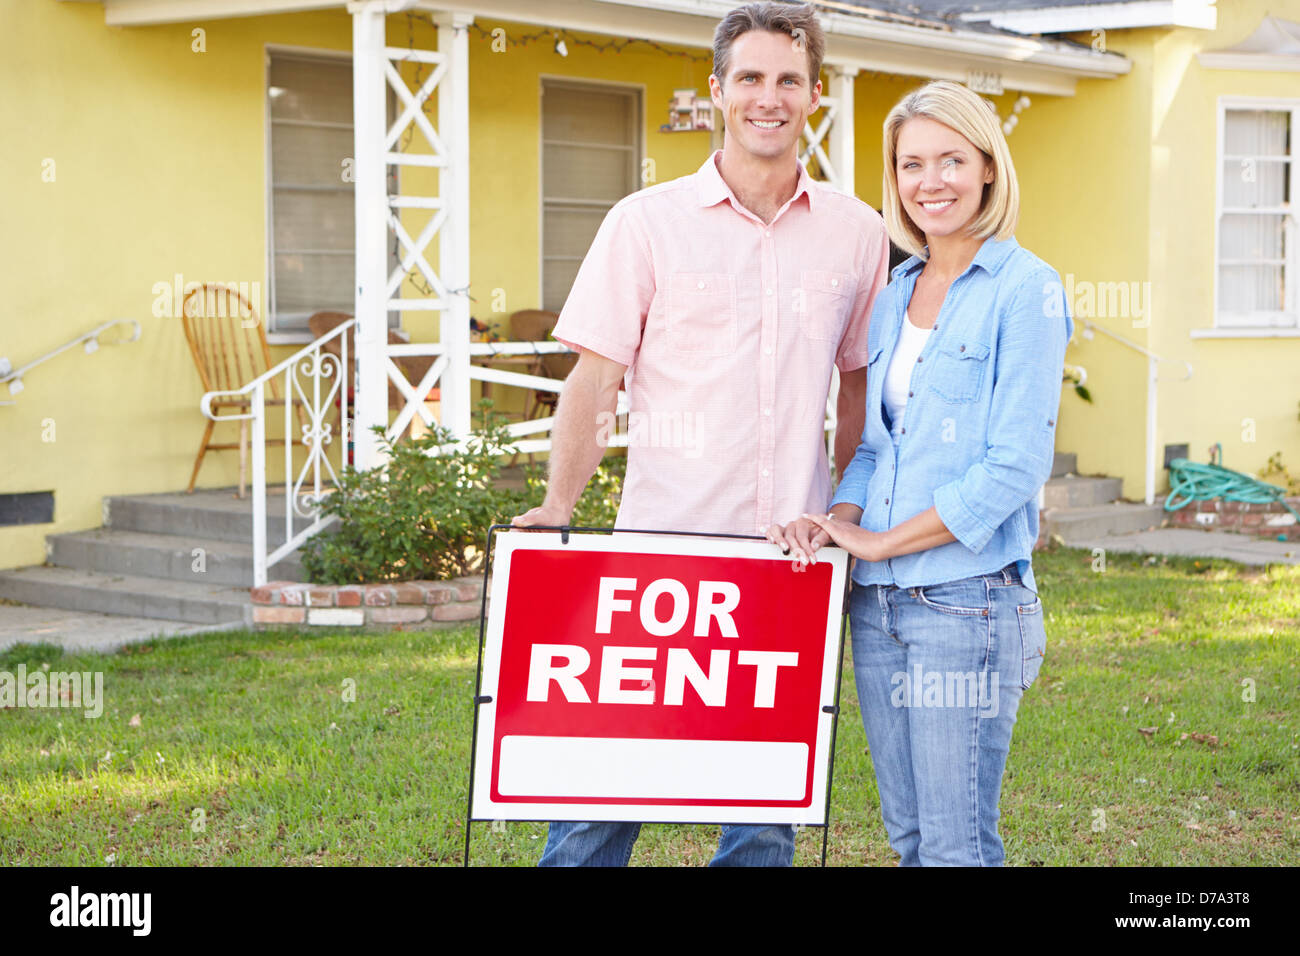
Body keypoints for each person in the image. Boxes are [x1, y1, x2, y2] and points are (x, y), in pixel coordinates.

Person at [511, 1, 889, 866]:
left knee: (760, 818)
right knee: (598, 805)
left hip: (788, 567)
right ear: (717, 91)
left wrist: (839, 508)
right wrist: (556, 504)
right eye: (749, 78)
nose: (769, 97)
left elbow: (857, 383)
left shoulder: (859, 233)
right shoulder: (646, 222)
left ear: (815, 94)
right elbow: (595, 378)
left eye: (788, 80)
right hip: (660, 560)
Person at [767, 80, 1072, 866]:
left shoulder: (1024, 289)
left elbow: (1015, 465)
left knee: (953, 847)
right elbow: (875, 448)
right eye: (911, 165)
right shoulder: (895, 292)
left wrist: (883, 543)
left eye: (951, 161)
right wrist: (837, 519)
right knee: (909, 841)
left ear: (989, 171)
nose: (930, 181)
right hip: (879, 610)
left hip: (965, 602)